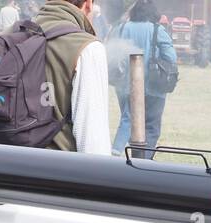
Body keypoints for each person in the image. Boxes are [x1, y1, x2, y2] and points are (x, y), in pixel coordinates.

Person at [32, 0, 111, 153]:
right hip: (55, 170)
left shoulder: (8, 35)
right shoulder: (88, 48)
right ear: (88, 4)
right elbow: (93, 144)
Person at [109, 0, 177, 156]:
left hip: (125, 86)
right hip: (153, 88)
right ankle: (142, 162)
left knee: (129, 120)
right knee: (151, 127)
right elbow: (171, 58)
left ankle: (117, 150)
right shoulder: (156, 30)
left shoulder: (121, 28)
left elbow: (112, 53)